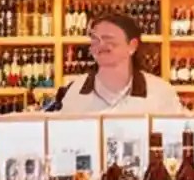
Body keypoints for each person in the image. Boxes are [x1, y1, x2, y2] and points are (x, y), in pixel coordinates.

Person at [51, 11, 184, 113]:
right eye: (95, 39)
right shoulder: (75, 91)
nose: (101, 45)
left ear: (132, 46)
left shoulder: (161, 93)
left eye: (109, 39)